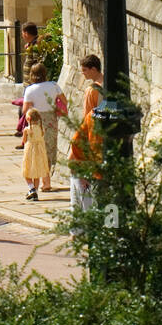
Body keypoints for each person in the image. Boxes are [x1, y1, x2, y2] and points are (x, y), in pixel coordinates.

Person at [21, 63, 66, 192]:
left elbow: (25, 110)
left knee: (38, 151)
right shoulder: (53, 86)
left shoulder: (30, 89)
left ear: (32, 74)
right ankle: (47, 182)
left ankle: (38, 182)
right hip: (51, 121)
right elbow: (64, 101)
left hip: (36, 123)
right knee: (49, 150)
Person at [68, 54, 104, 211]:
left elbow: (87, 118)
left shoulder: (92, 91)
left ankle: (80, 227)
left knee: (81, 193)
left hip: (94, 138)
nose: (83, 74)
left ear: (93, 69)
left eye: (85, 70)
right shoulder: (110, 84)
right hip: (108, 141)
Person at [22, 108, 49, 201]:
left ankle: (31, 188)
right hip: (39, 153)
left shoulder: (27, 129)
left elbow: (24, 141)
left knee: (27, 172)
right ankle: (35, 192)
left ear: (28, 118)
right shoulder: (41, 129)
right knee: (36, 174)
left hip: (30, 152)